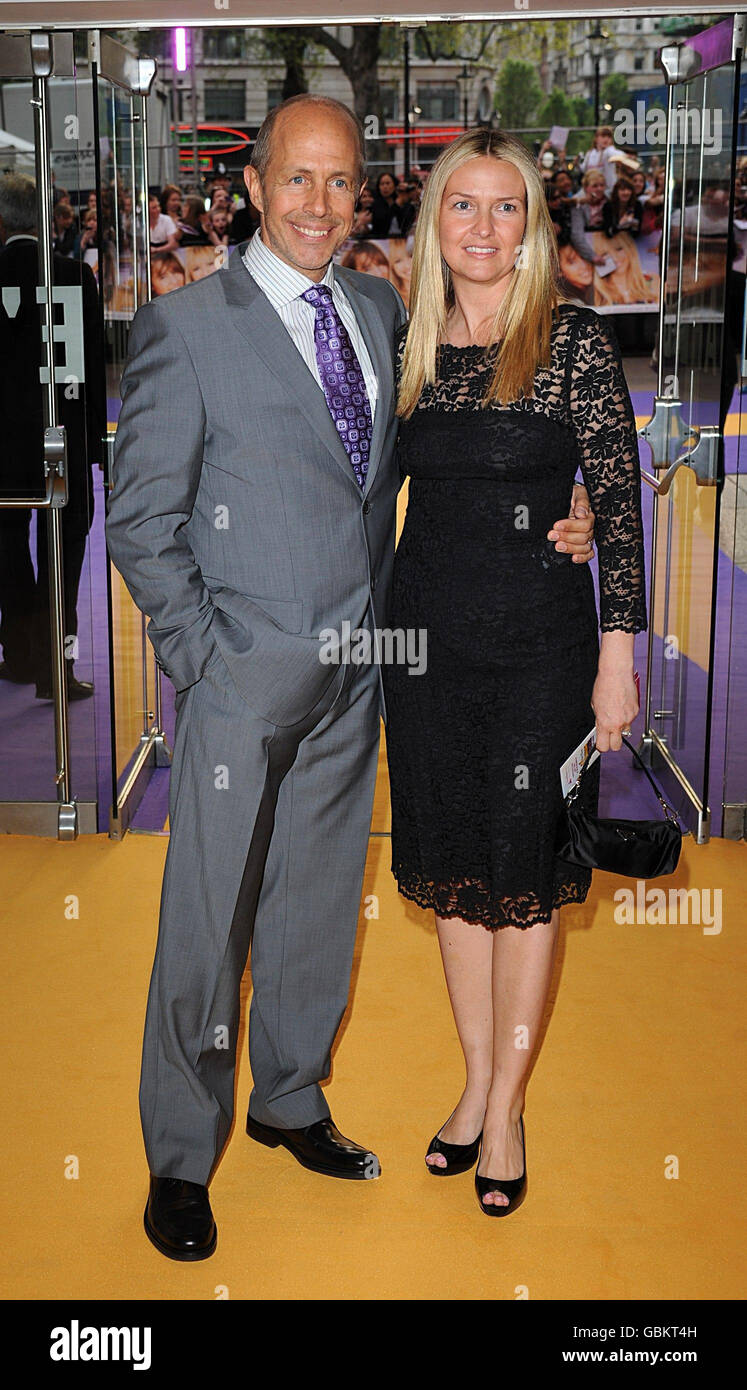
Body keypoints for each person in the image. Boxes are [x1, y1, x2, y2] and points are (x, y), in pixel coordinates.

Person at [105, 96, 596, 1261]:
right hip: (240, 679)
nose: (320, 205)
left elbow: (479, 446)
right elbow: (141, 523)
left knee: (320, 903)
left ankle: (288, 1098)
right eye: (297, 181)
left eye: (340, 183)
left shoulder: (385, 311)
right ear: (253, 188)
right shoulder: (188, 327)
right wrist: (204, 660)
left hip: (365, 673)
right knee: (206, 923)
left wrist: (570, 511)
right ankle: (181, 1154)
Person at [382, 128, 645, 1217]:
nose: (484, 227)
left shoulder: (571, 341)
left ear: (532, 225)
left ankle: (508, 1109)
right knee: (452, 874)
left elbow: (618, 507)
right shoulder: (404, 342)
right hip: (427, 644)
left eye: (507, 208)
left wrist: (618, 656)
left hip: (542, 647)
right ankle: (480, 1080)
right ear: (435, 220)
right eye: (464, 206)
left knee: (524, 880)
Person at [0, 173, 105, 699]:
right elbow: (87, 373)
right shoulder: (70, 273)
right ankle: (55, 670)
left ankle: (19, 655)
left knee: (8, 548)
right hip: (56, 440)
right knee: (61, 553)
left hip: (2, 445)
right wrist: (93, 452)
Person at [370, 171, 397, 236]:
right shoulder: (374, 205)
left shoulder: (401, 201)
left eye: (388, 183)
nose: (385, 187)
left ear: (395, 185)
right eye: (382, 184)